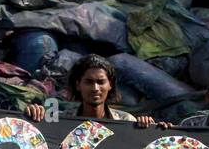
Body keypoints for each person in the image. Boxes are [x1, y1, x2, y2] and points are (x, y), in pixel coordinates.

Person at [24, 54, 164, 127]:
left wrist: (155, 131)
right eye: (89, 82)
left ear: (110, 85)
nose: (95, 88)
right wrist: (33, 114)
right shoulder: (61, 119)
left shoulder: (127, 121)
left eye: (101, 82)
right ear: (78, 85)